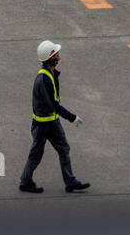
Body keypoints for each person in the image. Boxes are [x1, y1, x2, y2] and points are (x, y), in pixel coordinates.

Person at [19, 40, 91, 194]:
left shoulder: (51, 74)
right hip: (42, 125)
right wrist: (72, 117)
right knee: (36, 154)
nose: (58, 55)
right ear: (50, 58)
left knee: (64, 148)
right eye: (55, 53)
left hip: (52, 122)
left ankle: (70, 182)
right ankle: (25, 182)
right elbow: (54, 104)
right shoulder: (44, 78)